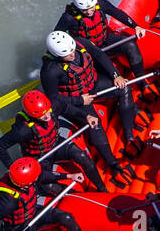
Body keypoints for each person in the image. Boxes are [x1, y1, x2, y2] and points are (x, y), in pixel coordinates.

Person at [39, 31, 138, 184]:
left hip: (93, 85)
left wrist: (115, 75)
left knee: (124, 88)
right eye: (67, 54)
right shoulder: (49, 71)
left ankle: (129, 135)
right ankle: (113, 164)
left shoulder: (79, 43)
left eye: (72, 50)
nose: (72, 55)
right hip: (76, 99)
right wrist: (79, 100)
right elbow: (53, 99)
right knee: (94, 123)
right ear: (56, 55)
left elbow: (99, 55)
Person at [0, 90, 107, 192]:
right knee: (48, 186)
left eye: (47, 111)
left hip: (56, 143)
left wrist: (86, 116)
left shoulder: (53, 104)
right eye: (42, 115)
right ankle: (75, 197)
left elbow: (68, 109)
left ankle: (102, 189)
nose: (47, 116)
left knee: (82, 156)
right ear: (32, 115)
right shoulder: (22, 130)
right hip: (39, 157)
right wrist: (12, 168)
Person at [55, 0, 151, 92]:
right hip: (88, 52)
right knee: (105, 75)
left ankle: (140, 81)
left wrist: (135, 26)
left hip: (104, 41)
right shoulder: (68, 17)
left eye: (91, 8)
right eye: (85, 10)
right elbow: (57, 37)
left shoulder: (100, 4)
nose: (89, 12)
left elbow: (118, 13)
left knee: (130, 45)